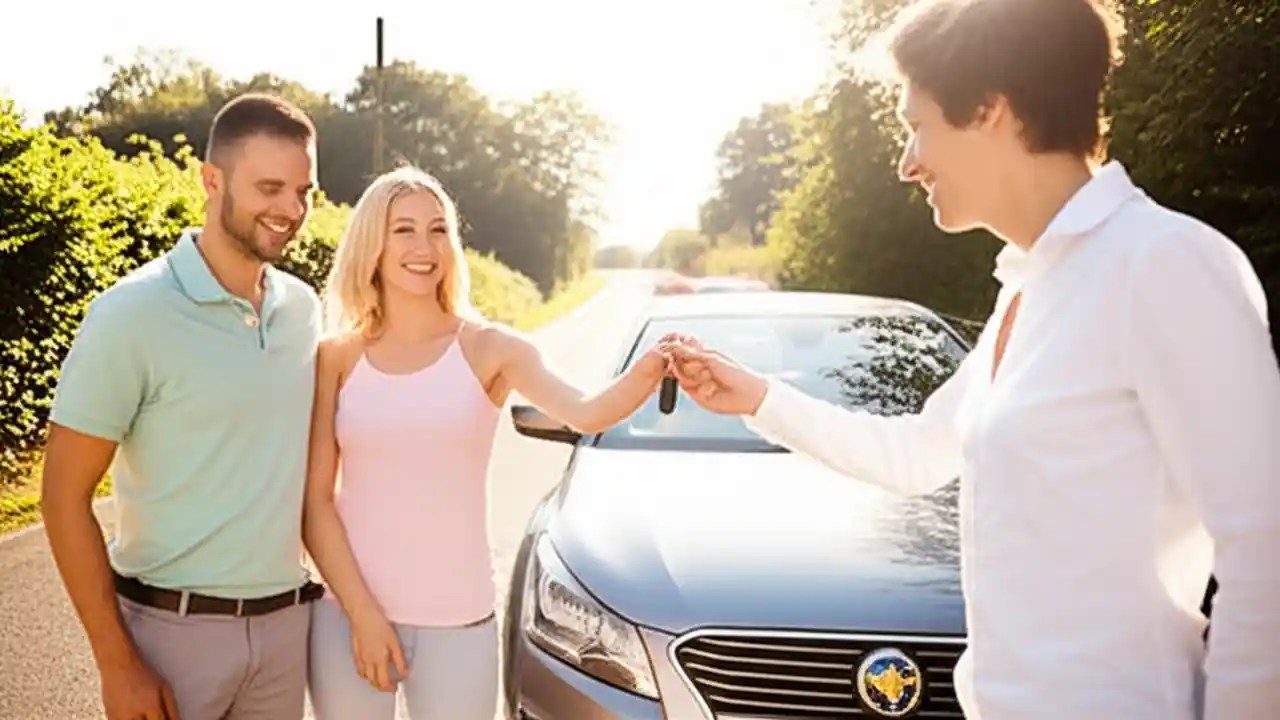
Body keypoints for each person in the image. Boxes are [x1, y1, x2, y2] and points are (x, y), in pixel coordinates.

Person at [667, 1, 1280, 719]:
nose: (906, 163)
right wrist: (758, 398)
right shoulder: (1031, 287)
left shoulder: (1163, 264)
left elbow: (1265, 545)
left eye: (915, 127)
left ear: (990, 108)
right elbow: (917, 456)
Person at [301, 165, 676, 719]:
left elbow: (587, 410)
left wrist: (650, 369)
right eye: (403, 229)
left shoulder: (491, 349)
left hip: (459, 624)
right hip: (347, 617)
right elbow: (315, 503)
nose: (424, 246)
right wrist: (361, 615)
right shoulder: (336, 357)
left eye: (438, 229)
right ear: (372, 244)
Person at [41, 93, 326, 720]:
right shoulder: (130, 314)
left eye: (304, 191)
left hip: (285, 635)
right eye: (270, 187)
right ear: (211, 179)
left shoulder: (304, 310)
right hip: (171, 637)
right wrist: (117, 663)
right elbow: (62, 498)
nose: (291, 209)